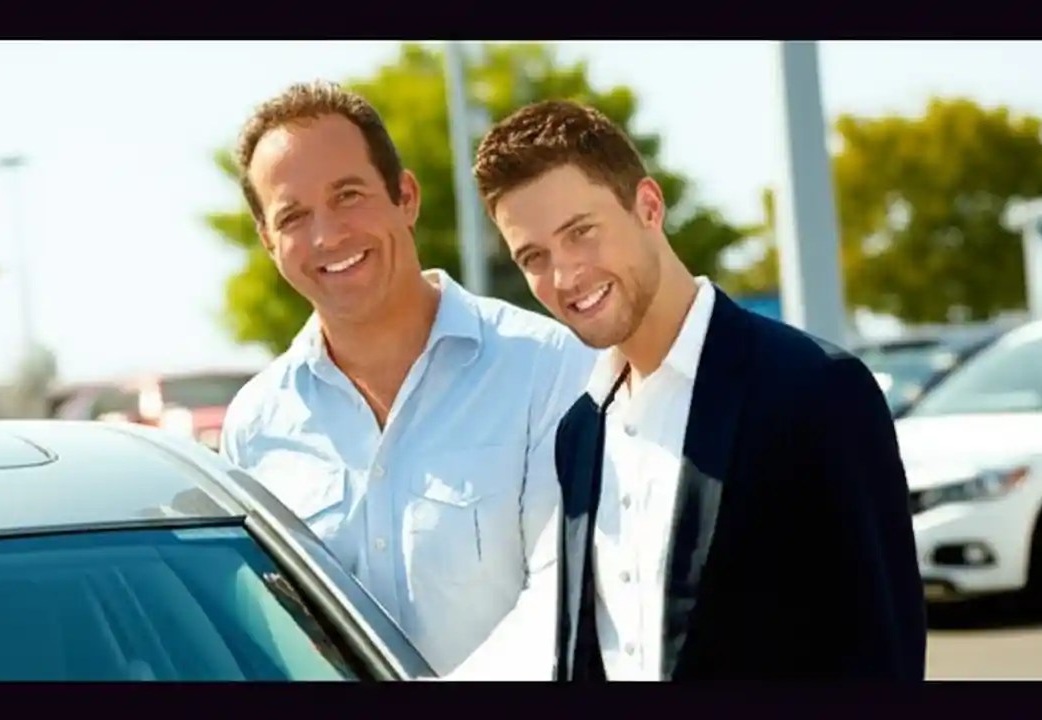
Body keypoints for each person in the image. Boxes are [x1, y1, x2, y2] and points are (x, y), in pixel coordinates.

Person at [471, 99, 927, 681]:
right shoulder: (580, 433)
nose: (564, 276)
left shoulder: (816, 392)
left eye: (581, 232)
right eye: (534, 257)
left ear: (648, 206)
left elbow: (882, 660)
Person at [217, 82, 597, 680]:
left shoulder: (548, 368)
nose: (328, 235)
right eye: (294, 216)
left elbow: (565, 599)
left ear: (406, 196)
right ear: (269, 241)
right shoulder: (255, 424)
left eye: (349, 195)